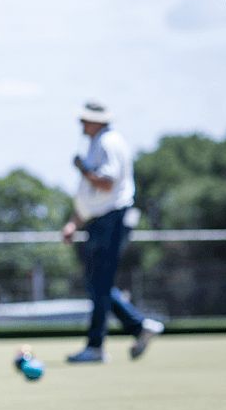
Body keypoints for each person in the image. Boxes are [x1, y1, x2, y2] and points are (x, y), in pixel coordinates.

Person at [62, 101, 163, 363]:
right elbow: (91, 198)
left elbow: (106, 184)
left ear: (98, 120)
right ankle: (138, 327)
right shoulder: (97, 143)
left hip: (112, 220)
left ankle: (96, 345)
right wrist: (74, 222)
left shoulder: (108, 143)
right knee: (98, 283)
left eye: (85, 119)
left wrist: (82, 168)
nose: (80, 124)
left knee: (99, 283)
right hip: (100, 220)